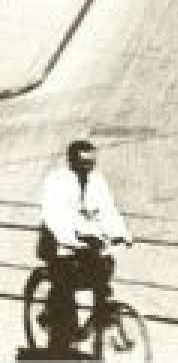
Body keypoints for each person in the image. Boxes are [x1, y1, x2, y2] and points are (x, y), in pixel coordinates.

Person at [39, 139, 132, 358]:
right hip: (57, 245)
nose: (87, 168)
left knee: (104, 269)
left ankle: (100, 321)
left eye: (91, 163)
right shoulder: (57, 182)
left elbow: (108, 210)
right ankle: (59, 338)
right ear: (71, 161)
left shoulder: (97, 182)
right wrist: (71, 239)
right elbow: (54, 216)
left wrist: (122, 233)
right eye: (82, 163)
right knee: (66, 289)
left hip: (87, 243)